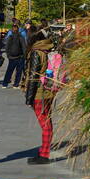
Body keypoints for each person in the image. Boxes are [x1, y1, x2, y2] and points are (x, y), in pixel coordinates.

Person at [22, 26, 68, 164]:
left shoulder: (36, 53)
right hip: (49, 92)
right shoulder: (48, 50)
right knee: (47, 122)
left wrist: (29, 98)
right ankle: (44, 151)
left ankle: (44, 155)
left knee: (45, 124)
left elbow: (33, 76)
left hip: (40, 93)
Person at [1, 18, 27, 88]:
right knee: (19, 72)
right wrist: (24, 55)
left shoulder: (10, 37)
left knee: (9, 71)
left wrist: (8, 55)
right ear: (18, 29)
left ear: (12, 30)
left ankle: (4, 84)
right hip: (20, 56)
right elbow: (24, 46)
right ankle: (16, 84)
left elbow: (7, 47)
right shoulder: (21, 36)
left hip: (12, 57)